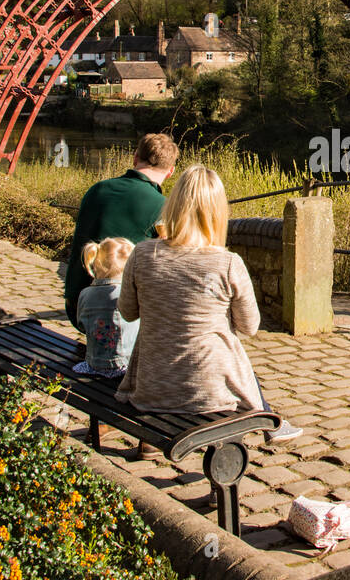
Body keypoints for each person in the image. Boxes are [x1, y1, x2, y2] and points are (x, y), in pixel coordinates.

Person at [115, 164, 302, 441]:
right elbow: (250, 327)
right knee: (230, 349)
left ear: (174, 205)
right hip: (209, 392)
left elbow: (127, 313)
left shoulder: (142, 254)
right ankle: (268, 418)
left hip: (151, 388)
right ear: (217, 213)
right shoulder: (227, 263)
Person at [64, 132, 178, 328]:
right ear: (171, 171)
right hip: (121, 314)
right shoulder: (164, 207)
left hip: (77, 306)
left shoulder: (97, 189)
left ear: (135, 158)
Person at [74, 237, 139, 376]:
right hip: (126, 365)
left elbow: (81, 325)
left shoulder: (85, 294)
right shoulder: (129, 294)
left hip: (93, 364)